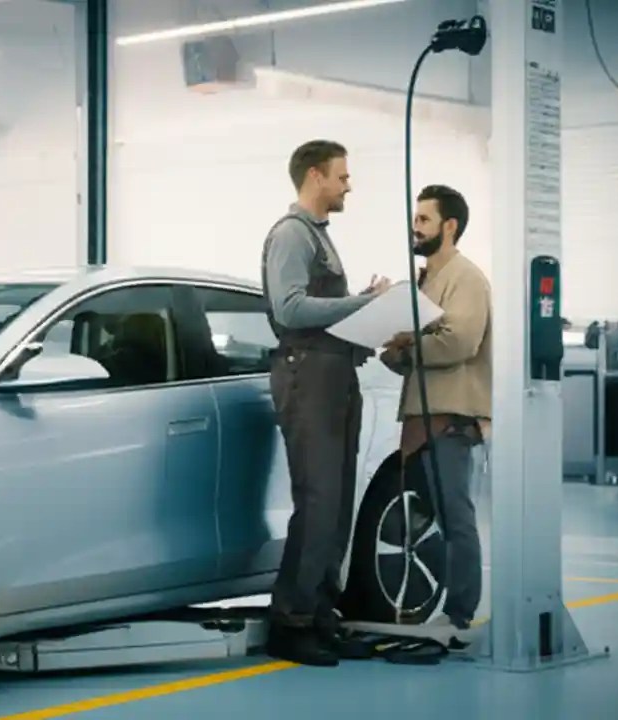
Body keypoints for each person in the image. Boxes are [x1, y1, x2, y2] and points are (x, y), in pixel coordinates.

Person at [260, 139, 391, 667]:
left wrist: (367, 310)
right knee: (316, 502)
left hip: (335, 377)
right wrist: (366, 302)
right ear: (315, 176)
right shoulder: (291, 236)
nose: (348, 185)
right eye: (342, 176)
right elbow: (290, 308)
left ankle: (320, 614)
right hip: (308, 379)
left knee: (336, 503)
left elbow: (324, 311)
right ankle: (289, 623)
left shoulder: (319, 238)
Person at [380, 183, 492, 639]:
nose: (415, 227)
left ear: (449, 226)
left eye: (424, 220)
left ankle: (461, 612)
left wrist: (408, 349)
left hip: (449, 419)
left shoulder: (466, 279)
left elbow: (459, 341)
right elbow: (405, 342)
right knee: (433, 520)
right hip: (423, 416)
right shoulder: (424, 282)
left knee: (454, 516)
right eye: (414, 219)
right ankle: (432, 603)